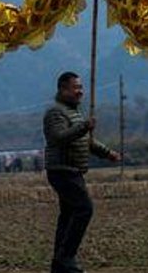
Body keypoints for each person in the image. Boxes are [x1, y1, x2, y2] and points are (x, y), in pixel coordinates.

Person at [44, 71, 121, 273]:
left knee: (68, 215)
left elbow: (85, 141)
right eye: (75, 88)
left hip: (73, 170)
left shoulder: (74, 112)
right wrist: (84, 126)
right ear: (63, 90)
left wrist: (107, 153)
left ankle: (59, 264)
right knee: (84, 209)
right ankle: (66, 257)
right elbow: (58, 137)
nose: (80, 92)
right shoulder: (55, 113)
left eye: (81, 87)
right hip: (62, 170)